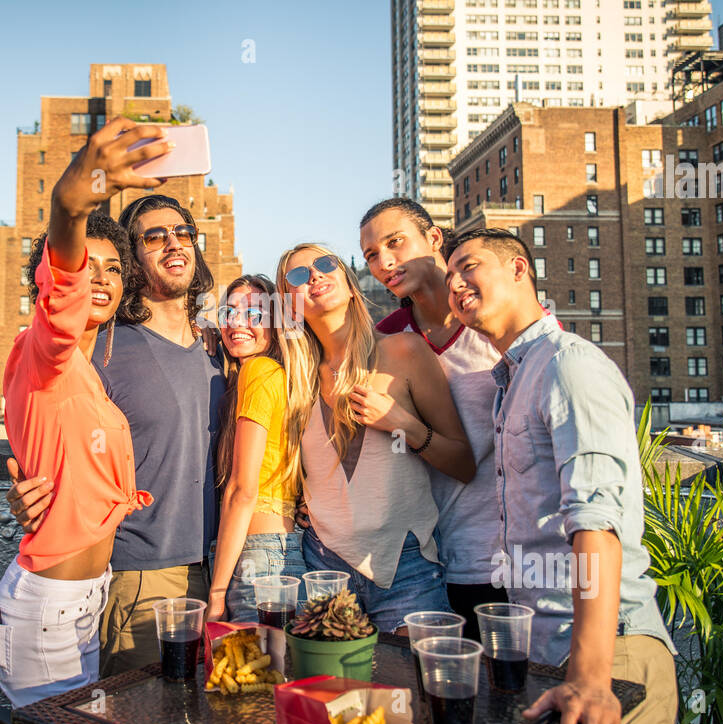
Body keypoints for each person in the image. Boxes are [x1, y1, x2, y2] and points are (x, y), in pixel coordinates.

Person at [445, 227, 677, 724]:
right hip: (551, 659)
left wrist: (592, 679)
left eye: (468, 266)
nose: (455, 283)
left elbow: (596, 523)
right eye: (448, 277)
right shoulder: (511, 380)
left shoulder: (569, 365)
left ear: (518, 269)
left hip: (608, 658)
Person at [0, 117, 168, 709]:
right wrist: (70, 203)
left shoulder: (90, 371)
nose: (100, 276)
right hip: (45, 608)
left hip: (89, 600)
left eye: (114, 268)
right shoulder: (45, 352)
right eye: (85, 264)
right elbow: (61, 288)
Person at [276, 243, 475, 632]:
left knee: (416, 688)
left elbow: (464, 464)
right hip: (322, 567)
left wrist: (403, 423)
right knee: (333, 690)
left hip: (407, 567)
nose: (314, 275)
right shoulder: (295, 378)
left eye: (323, 264)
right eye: (298, 276)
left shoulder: (405, 350)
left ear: (350, 285)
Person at [359, 199, 506, 641]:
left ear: (435, 238)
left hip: (502, 560)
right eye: (370, 255)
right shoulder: (383, 340)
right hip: (421, 563)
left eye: (395, 242)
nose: (384, 261)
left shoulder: (497, 325)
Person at [206, 275, 305, 623]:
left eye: (254, 314)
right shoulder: (280, 376)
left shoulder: (260, 371)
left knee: (253, 674)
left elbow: (242, 490)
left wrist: (216, 594)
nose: (237, 323)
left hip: (257, 558)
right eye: (228, 312)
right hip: (281, 551)